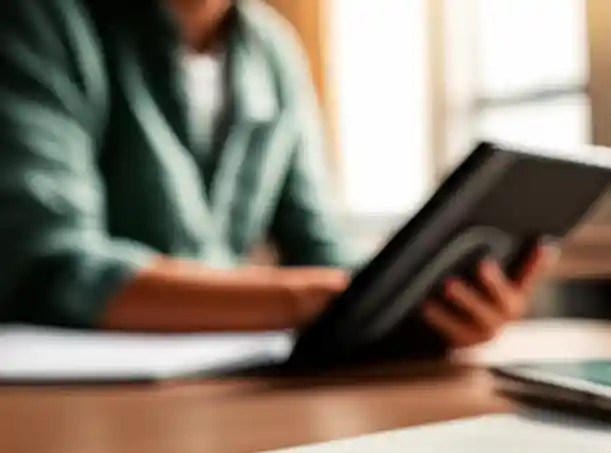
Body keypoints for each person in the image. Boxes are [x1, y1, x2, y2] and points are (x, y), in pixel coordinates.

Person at [0, 0, 551, 350]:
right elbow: (49, 265)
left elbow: (320, 245)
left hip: (223, 380)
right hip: (63, 398)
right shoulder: (41, 20)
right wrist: (322, 298)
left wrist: (423, 302)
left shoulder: (272, 49)